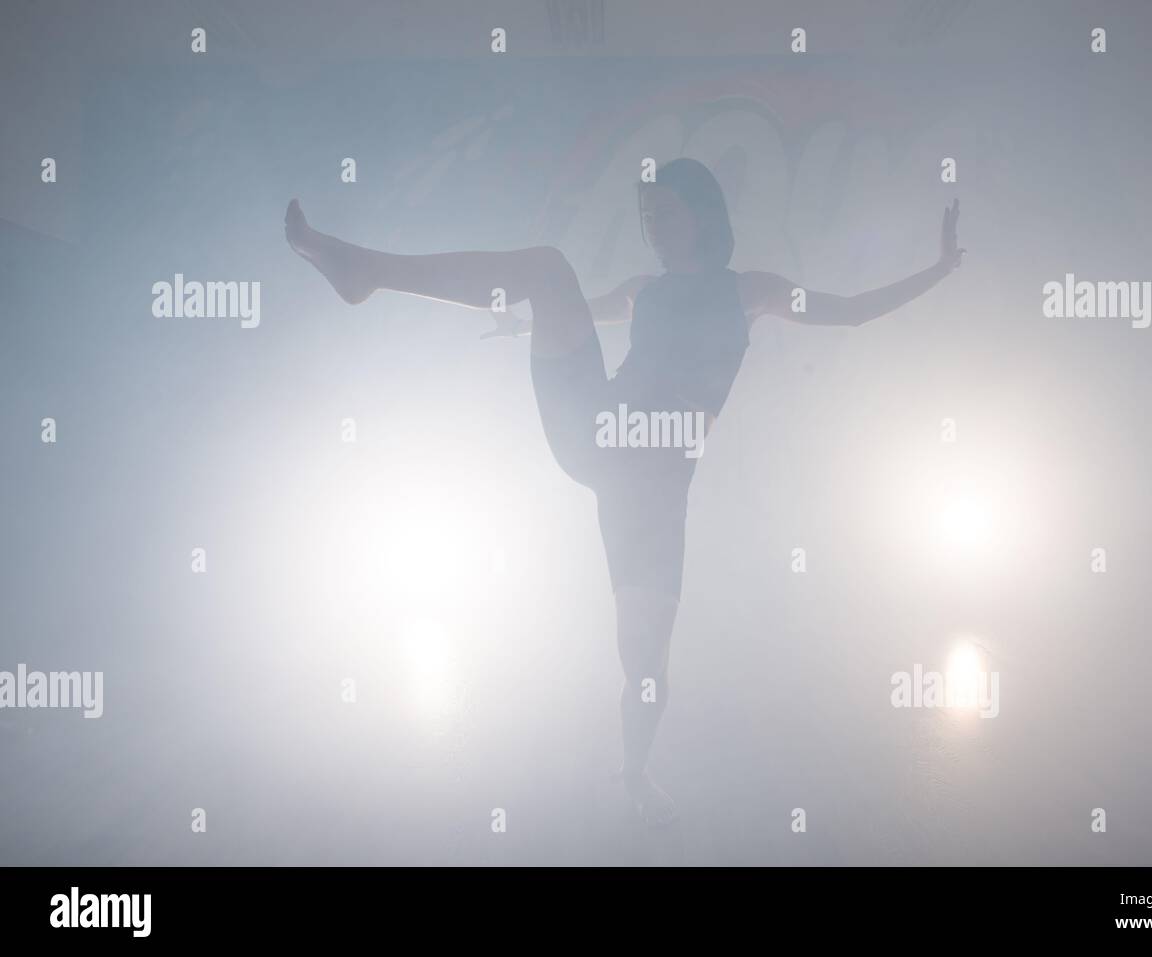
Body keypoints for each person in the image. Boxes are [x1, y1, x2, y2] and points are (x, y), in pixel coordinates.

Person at [285, 157, 964, 826]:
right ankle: (366, 269)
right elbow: (583, 310)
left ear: (701, 214)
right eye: (647, 216)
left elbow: (848, 312)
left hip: (651, 494)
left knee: (643, 665)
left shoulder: (750, 290)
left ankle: (635, 774)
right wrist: (525, 324)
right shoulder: (644, 289)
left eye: (664, 210)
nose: (654, 225)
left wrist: (936, 271)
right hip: (595, 426)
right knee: (546, 271)